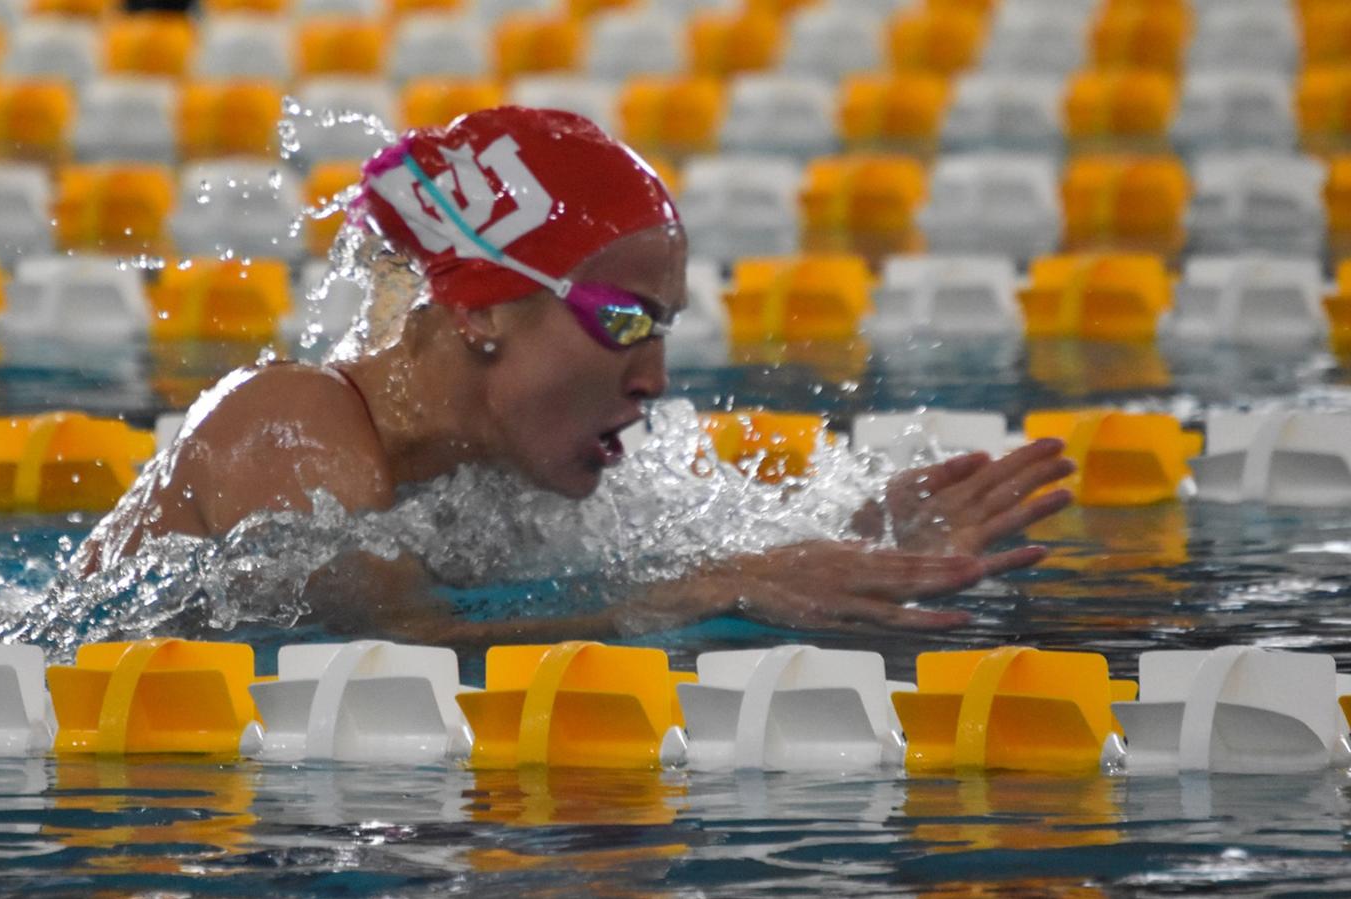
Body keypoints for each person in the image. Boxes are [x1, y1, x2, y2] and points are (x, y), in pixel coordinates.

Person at [75, 107, 1076, 643]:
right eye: (625, 321)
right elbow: (391, 630)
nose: (654, 378)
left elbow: (619, 582)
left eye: (665, 328)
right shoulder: (291, 420)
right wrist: (721, 586)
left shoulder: (496, 476)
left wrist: (862, 546)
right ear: (479, 312)